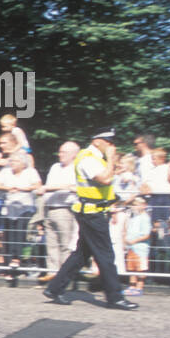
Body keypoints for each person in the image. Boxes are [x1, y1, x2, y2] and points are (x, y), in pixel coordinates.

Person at [44, 129, 138, 309]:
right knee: (105, 255)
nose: (112, 146)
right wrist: (111, 158)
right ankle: (115, 297)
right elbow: (105, 179)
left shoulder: (95, 159)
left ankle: (55, 288)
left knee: (81, 254)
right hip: (91, 213)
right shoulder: (88, 159)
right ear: (97, 141)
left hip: (93, 211)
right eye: (109, 142)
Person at [0, 151, 41, 283]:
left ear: (23, 163)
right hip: (9, 208)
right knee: (8, 236)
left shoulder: (31, 172)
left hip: (25, 208)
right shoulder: (6, 172)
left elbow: (37, 185)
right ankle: (9, 267)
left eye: (16, 161)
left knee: (20, 235)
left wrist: (24, 189)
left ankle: (17, 262)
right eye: (12, 161)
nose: (12, 163)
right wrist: (7, 188)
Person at [38, 141, 80, 284]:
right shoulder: (55, 167)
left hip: (65, 209)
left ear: (74, 154)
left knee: (65, 244)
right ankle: (52, 273)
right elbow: (52, 186)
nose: (60, 154)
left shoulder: (76, 168)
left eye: (64, 152)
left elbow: (70, 187)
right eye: (60, 151)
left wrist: (49, 188)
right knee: (51, 244)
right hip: (50, 208)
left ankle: (63, 277)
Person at [123, 197, 151, 295]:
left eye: (136, 204)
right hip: (131, 247)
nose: (134, 207)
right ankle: (132, 286)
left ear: (144, 206)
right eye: (133, 205)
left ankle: (139, 287)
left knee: (140, 268)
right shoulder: (133, 217)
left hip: (140, 248)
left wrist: (134, 241)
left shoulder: (145, 218)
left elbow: (146, 234)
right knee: (131, 268)